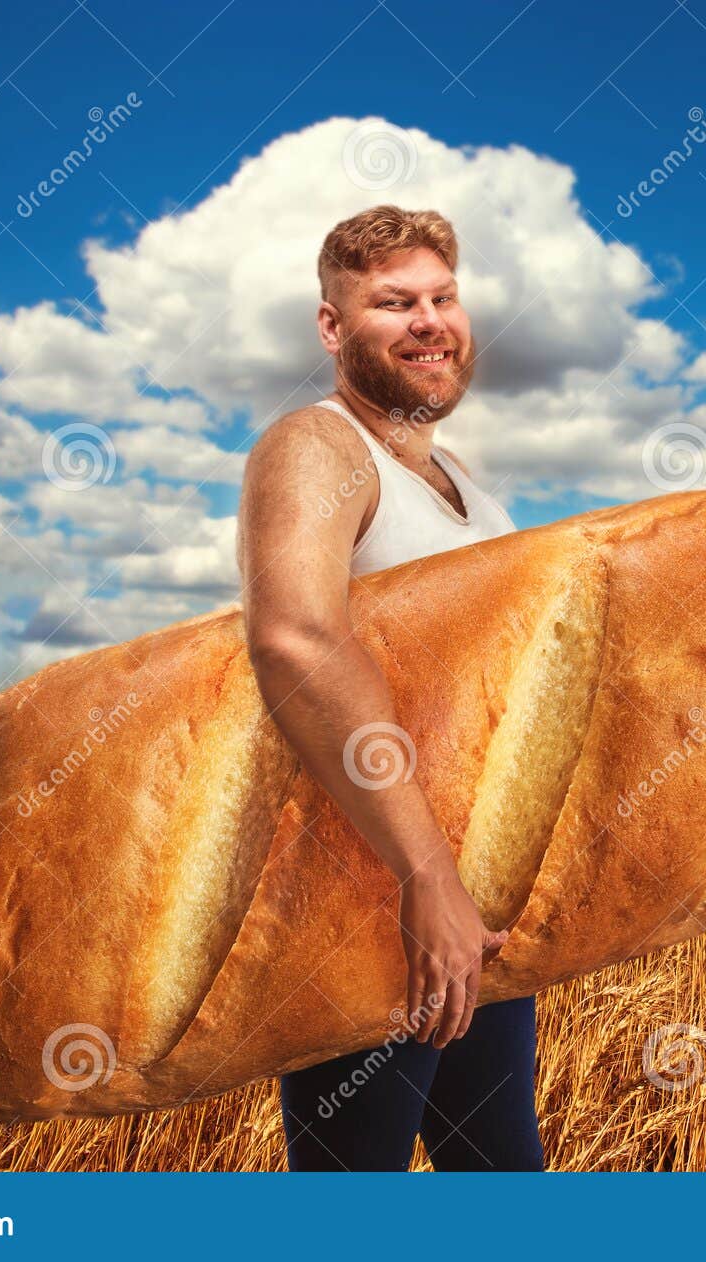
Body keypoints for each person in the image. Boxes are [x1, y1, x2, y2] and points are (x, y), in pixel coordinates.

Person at [235, 205, 545, 1172]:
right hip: (367, 897)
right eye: (392, 303)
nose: (429, 320)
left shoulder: (467, 488)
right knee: (351, 1185)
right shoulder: (318, 449)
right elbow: (294, 638)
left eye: (442, 298)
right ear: (333, 328)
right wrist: (422, 872)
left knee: (498, 1164)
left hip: (467, 901)